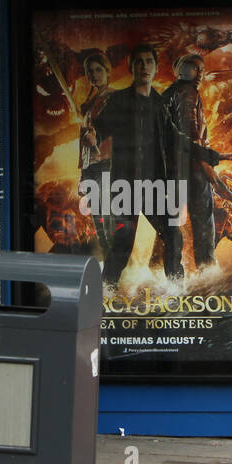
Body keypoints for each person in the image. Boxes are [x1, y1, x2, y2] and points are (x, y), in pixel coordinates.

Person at [83, 44, 182, 284]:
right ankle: (106, 289)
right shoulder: (118, 100)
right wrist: (93, 135)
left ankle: (177, 288)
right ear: (132, 68)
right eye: (139, 61)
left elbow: (176, 140)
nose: (144, 66)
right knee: (122, 244)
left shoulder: (160, 104)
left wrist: (208, 155)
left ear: (156, 68)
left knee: (173, 234)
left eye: (149, 61)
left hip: (153, 187)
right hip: (125, 188)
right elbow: (101, 127)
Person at [161, 54, 232, 269]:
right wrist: (205, 165)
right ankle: (207, 273)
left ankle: (164, 272)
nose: (200, 72)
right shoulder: (187, 92)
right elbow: (190, 133)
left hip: (173, 171)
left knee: (172, 225)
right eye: (195, 67)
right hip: (192, 169)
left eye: (201, 68)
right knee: (203, 223)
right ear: (183, 70)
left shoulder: (169, 93)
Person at [77, 49, 114, 255]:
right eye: (90, 71)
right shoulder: (90, 104)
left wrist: (96, 140)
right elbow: (84, 144)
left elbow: (119, 131)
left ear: (107, 71)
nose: (94, 74)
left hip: (106, 166)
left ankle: (116, 269)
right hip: (92, 167)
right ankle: (111, 269)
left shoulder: (114, 98)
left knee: (108, 221)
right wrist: (83, 173)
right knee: (99, 221)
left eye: (98, 69)